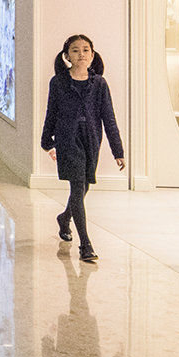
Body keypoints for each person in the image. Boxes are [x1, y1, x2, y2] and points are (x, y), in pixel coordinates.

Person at [40, 34, 124, 264]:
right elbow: (51, 112)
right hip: (67, 140)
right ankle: (85, 244)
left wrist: (118, 151)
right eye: (75, 50)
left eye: (86, 50)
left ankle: (64, 217)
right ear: (67, 56)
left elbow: (109, 118)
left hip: (91, 140)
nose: (81, 54)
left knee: (83, 186)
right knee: (78, 187)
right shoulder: (58, 82)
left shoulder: (99, 84)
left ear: (93, 55)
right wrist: (46, 140)